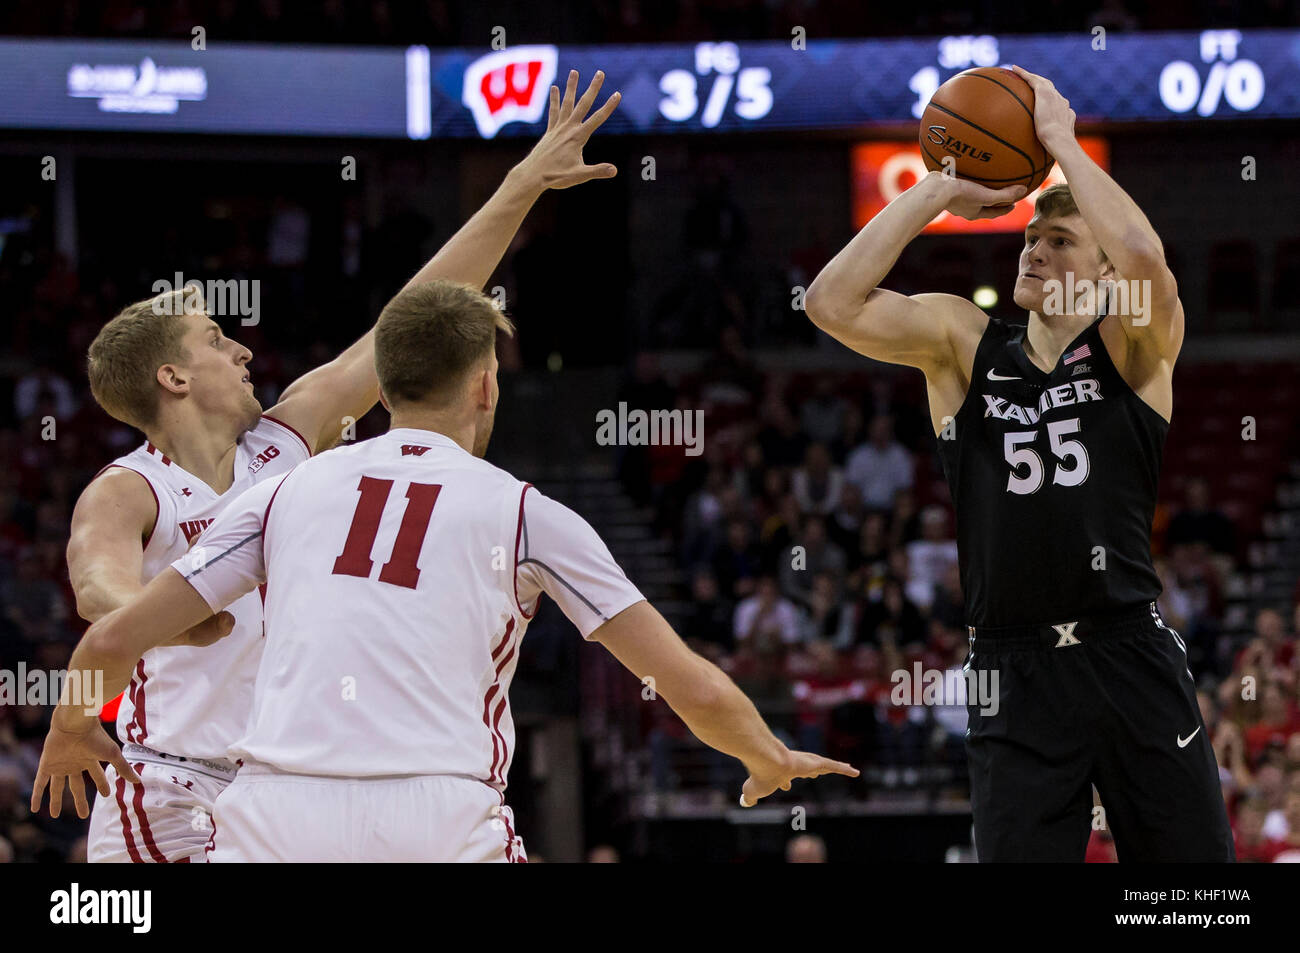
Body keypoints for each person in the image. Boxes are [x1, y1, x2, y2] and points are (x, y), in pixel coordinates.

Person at [31, 277, 858, 862]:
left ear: (379, 391)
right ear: (487, 386)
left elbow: (106, 637)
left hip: (275, 811)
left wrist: (70, 722)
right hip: (437, 810)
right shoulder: (529, 511)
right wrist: (765, 755)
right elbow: (689, 683)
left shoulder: (282, 492)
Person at [63, 70, 627, 863]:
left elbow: (410, 314)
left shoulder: (290, 440)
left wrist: (522, 183)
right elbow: (96, 586)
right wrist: (164, 614)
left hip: (285, 794)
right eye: (219, 341)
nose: (243, 348)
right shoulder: (129, 489)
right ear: (174, 378)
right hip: (174, 789)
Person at [804, 66, 1232, 861]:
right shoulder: (963, 343)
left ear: (1102, 274)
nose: (1032, 248)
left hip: (1127, 648)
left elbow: (1142, 251)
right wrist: (937, 188)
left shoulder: (1131, 345)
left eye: (1059, 240)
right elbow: (830, 303)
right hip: (1009, 664)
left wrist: (1062, 142)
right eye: (1031, 235)